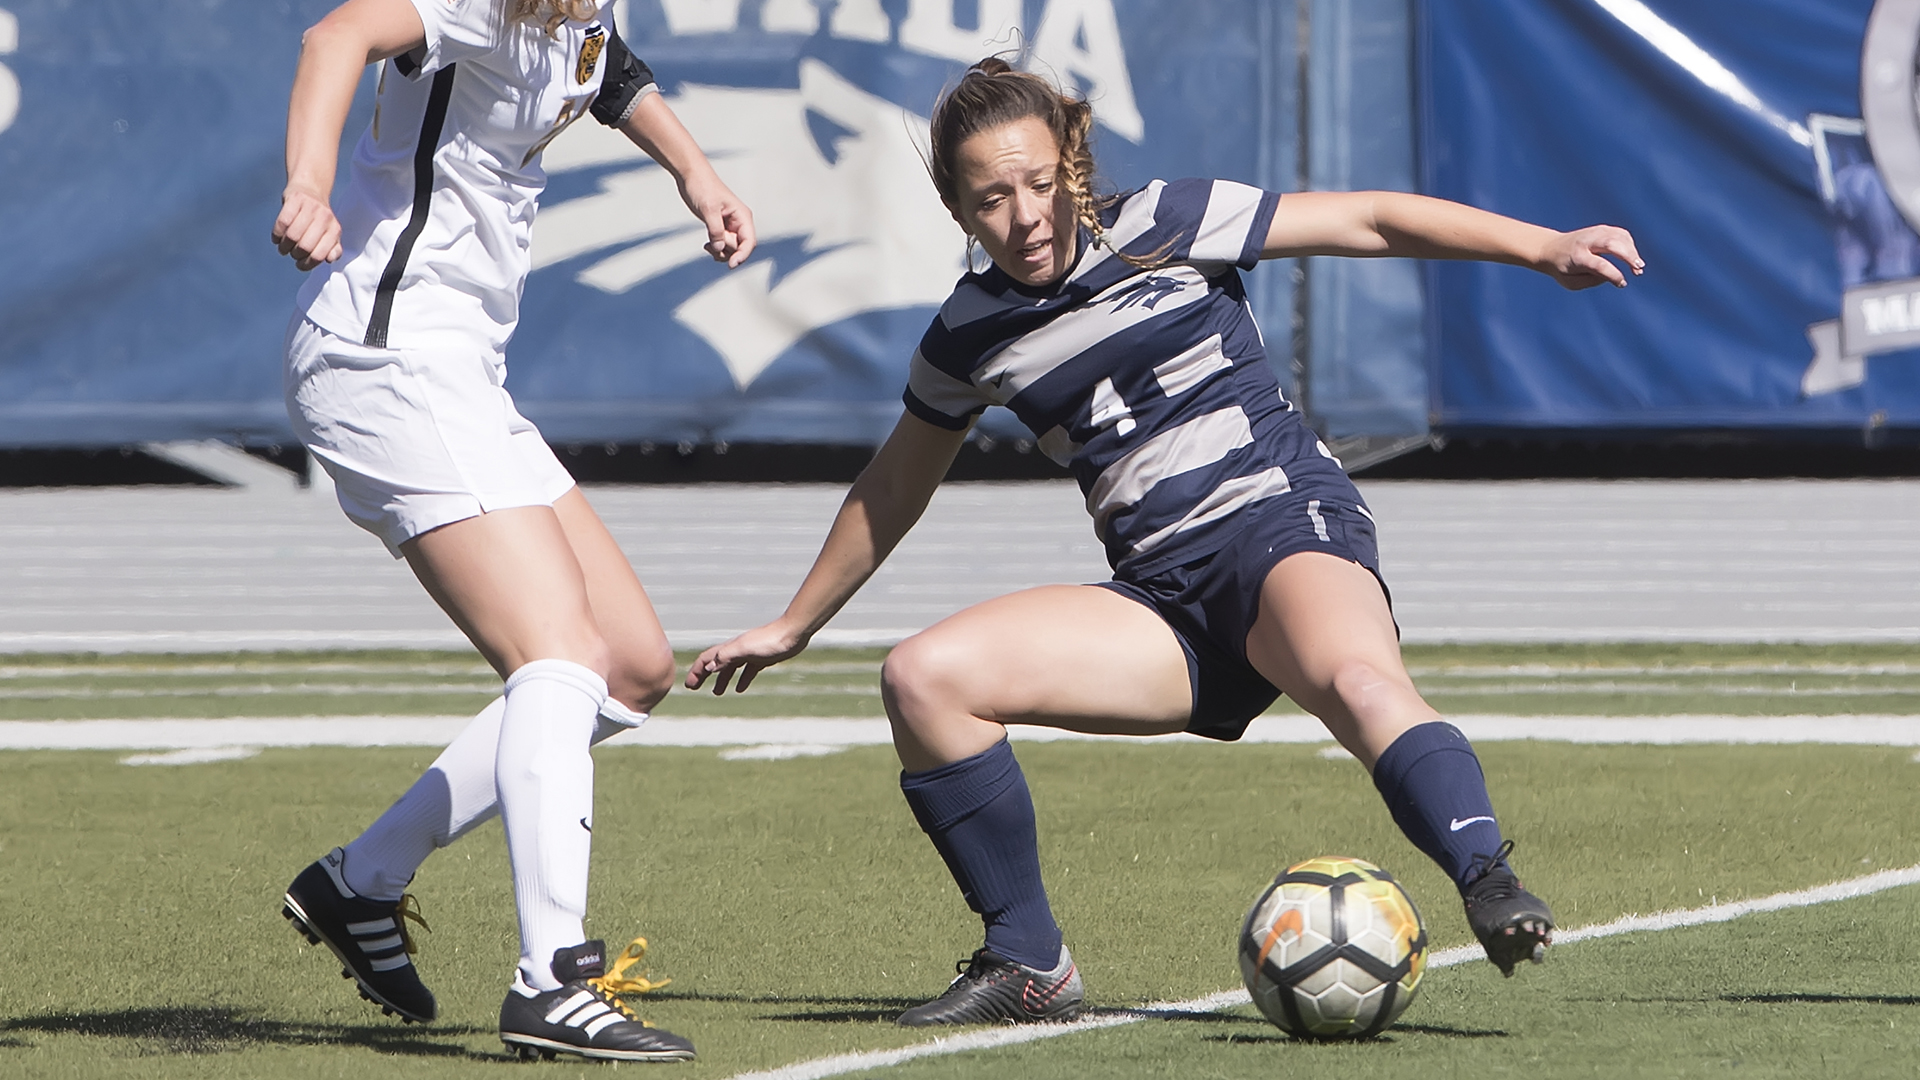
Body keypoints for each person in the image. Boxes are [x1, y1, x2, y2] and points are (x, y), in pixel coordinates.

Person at [688, 58, 1641, 1027]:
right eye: (991, 197)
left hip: (1280, 530)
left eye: (1039, 182)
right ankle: (1028, 962)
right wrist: (793, 622)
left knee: (1357, 683)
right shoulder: (965, 337)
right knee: (926, 680)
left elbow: (1372, 220)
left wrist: (1541, 247)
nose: (1024, 215)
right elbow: (893, 486)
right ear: (957, 208)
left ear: (1072, 163)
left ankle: (1486, 877)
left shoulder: (1169, 221)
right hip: (1162, 599)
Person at [269, 0, 754, 1061]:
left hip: (463, 372)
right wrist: (308, 186)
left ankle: (359, 884)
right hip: (385, 361)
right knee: (562, 657)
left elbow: (607, 69)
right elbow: (334, 37)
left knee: (628, 667)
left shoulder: (584, 7)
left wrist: (695, 173)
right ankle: (550, 980)